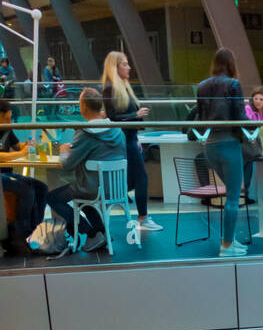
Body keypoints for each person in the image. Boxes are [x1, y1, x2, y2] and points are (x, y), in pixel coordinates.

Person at [46, 88, 126, 255]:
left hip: (92, 187)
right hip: (115, 187)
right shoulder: (117, 130)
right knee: (81, 197)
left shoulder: (85, 133)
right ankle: (101, 232)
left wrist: (63, 150)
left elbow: (68, 164)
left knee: (53, 198)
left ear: (83, 107)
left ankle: (90, 232)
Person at [195, 48, 247, 258]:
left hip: (210, 145)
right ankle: (226, 245)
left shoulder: (201, 86)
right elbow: (240, 116)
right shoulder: (234, 84)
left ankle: (229, 239)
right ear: (231, 64)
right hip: (229, 144)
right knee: (233, 196)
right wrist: (254, 128)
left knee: (231, 192)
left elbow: (200, 116)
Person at [101, 50, 160, 233]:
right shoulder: (110, 89)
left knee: (134, 179)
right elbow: (113, 118)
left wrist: (136, 136)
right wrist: (135, 115)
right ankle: (143, 217)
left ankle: (115, 200)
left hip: (130, 139)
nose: (129, 67)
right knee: (141, 178)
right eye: (124, 64)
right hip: (125, 141)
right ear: (115, 67)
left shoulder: (123, 87)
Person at [0, 100, 49, 251]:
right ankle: (20, 234)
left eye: (10, 117)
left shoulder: (7, 129)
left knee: (41, 187)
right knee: (26, 190)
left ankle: (35, 230)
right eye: (6, 118)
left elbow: (16, 146)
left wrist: (27, 145)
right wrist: (21, 153)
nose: (10, 121)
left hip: (7, 174)